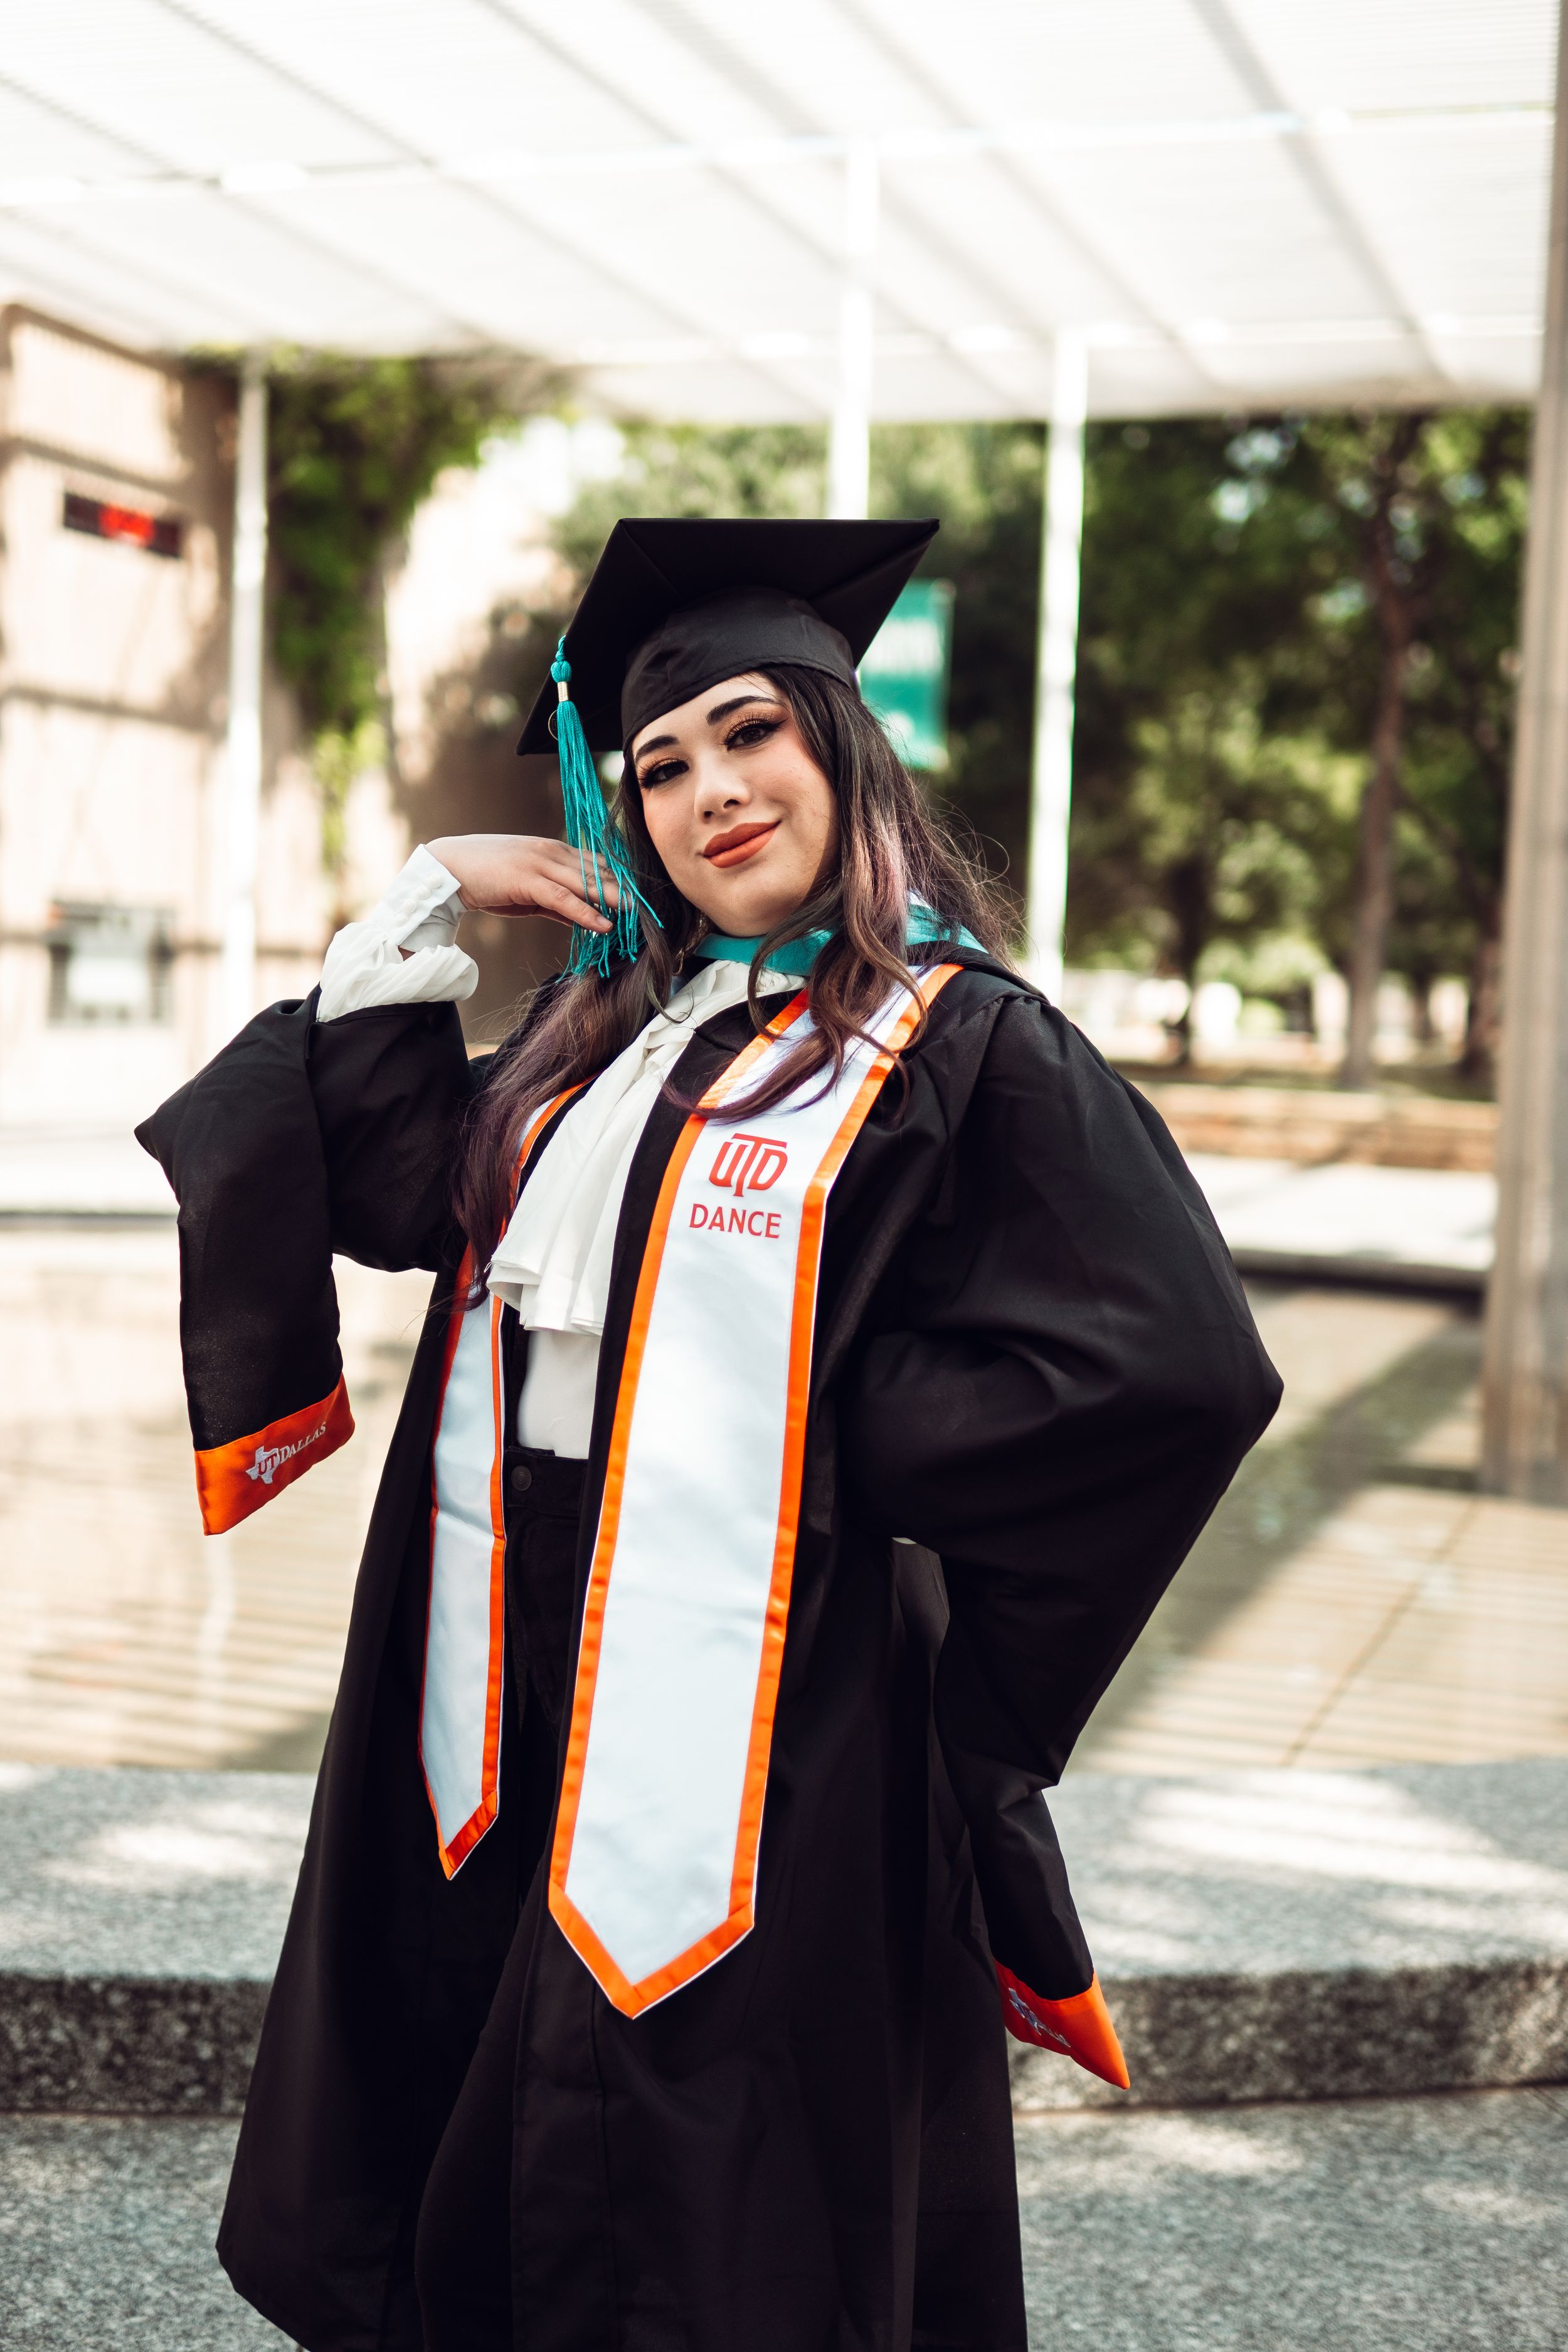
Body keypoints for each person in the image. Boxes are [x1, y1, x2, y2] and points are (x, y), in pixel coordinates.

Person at [139, 516, 1281, 2352]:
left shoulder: (957, 1043)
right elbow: (386, 1176)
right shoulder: (600, 1042)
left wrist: (820, 1448)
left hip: (772, 1686)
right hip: (508, 1674)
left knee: (720, 2158)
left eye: (748, 734)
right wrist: (429, 891)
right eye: (656, 766)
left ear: (841, 744)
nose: (705, 792)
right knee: (491, 2112)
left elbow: (1167, 1371)